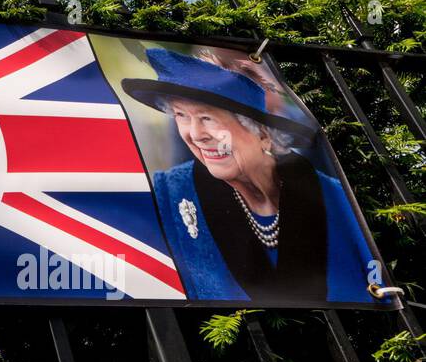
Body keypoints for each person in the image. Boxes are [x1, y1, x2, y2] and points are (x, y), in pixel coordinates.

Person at [121, 47, 381, 303]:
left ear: (263, 134)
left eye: (208, 117)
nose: (195, 134)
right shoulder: (168, 195)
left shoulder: (335, 197)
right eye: (181, 115)